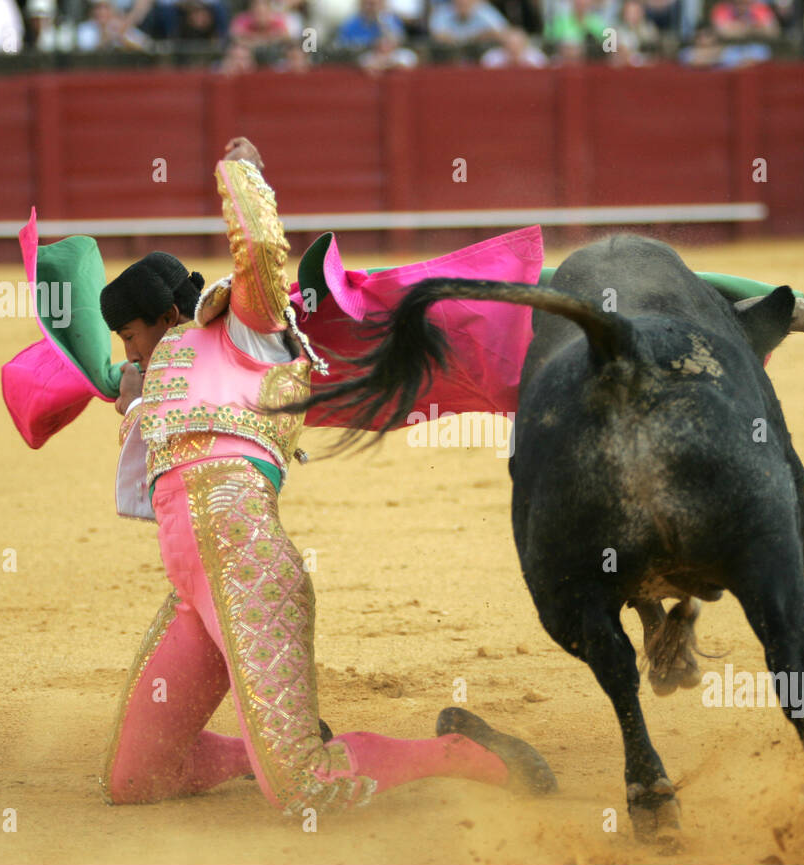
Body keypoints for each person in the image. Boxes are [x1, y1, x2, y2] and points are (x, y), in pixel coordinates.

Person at [99, 137, 559, 812]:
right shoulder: (159, 374)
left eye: (132, 335)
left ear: (167, 315)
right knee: (135, 779)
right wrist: (127, 389)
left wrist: (241, 171)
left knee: (306, 793)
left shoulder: (245, 326)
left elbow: (258, 250)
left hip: (247, 567)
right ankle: (260, 751)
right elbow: (133, 399)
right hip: (193, 587)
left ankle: (465, 755)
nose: (129, 352)